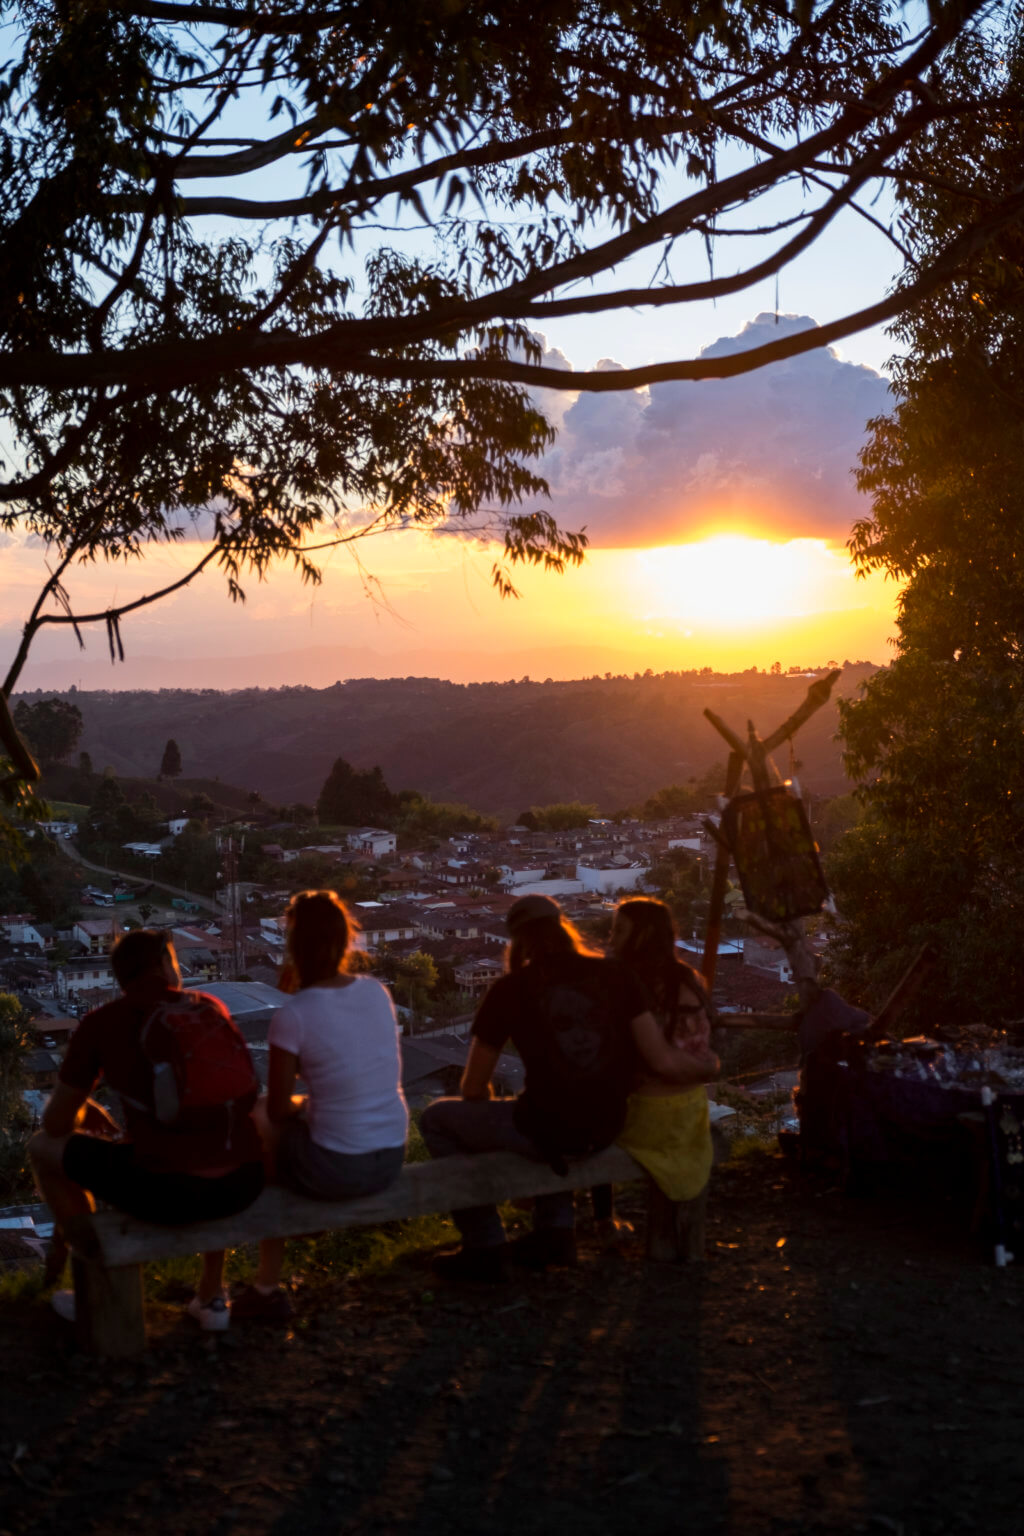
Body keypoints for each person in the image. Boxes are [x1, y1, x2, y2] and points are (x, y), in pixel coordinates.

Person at [420, 893, 706, 1283]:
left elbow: (472, 1088)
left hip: (548, 1128)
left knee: (438, 1118)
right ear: (564, 927)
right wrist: (707, 1065)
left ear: (519, 940)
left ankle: (484, 1241)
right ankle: (555, 1232)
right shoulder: (617, 977)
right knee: (545, 1112)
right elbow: (659, 1058)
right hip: (608, 1126)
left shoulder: (511, 989)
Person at [29, 929, 264, 1331]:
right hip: (242, 1182)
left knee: (40, 1149)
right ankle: (211, 1298)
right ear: (161, 966)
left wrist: (84, 1105)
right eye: (174, 961)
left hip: (167, 1191)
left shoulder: (103, 1023)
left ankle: (92, 1274)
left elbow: (55, 1126)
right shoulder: (209, 1007)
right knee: (212, 1143)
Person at [232, 890, 408, 1322]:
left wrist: (303, 1109)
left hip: (339, 1167)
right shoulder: (376, 992)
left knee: (257, 1114)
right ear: (346, 938)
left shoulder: (294, 1014)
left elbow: (274, 1110)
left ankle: (268, 1284)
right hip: (391, 1155)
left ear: (295, 945)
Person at [592, 897, 720, 1236]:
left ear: (643, 935)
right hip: (691, 1111)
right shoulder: (691, 979)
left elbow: (651, 1060)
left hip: (645, 1115)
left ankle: (596, 1218)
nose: (611, 938)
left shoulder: (625, 984)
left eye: (619, 930)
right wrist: (709, 1066)